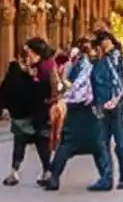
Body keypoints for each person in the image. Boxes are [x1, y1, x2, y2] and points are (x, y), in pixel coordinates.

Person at [42, 37, 114, 192]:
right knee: (97, 145)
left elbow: (72, 86)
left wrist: (65, 95)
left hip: (80, 109)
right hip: (87, 109)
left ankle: (54, 177)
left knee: (69, 145)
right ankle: (106, 178)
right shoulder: (89, 65)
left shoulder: (80, 63)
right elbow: (81, 87)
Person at [0, 40, 56, 186]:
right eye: (25, 52)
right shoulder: (14, 68)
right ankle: (14, 172)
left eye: (30, 52)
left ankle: (47, 171)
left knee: (42, 143)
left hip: (39, 113)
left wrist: (33, 77)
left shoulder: (45, 68)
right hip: (20, 113)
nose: (27, 55)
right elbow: (6, 88)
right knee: (19, 142)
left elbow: (49, 90)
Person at [96, 30, 123, 189]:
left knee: (120, 141)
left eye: (103, 41)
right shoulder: (104, 58)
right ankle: (108, 177)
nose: (103, 44)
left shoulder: (118, 57)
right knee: (102, 141)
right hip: (105, 104)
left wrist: (116, 100)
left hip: (115, 104)